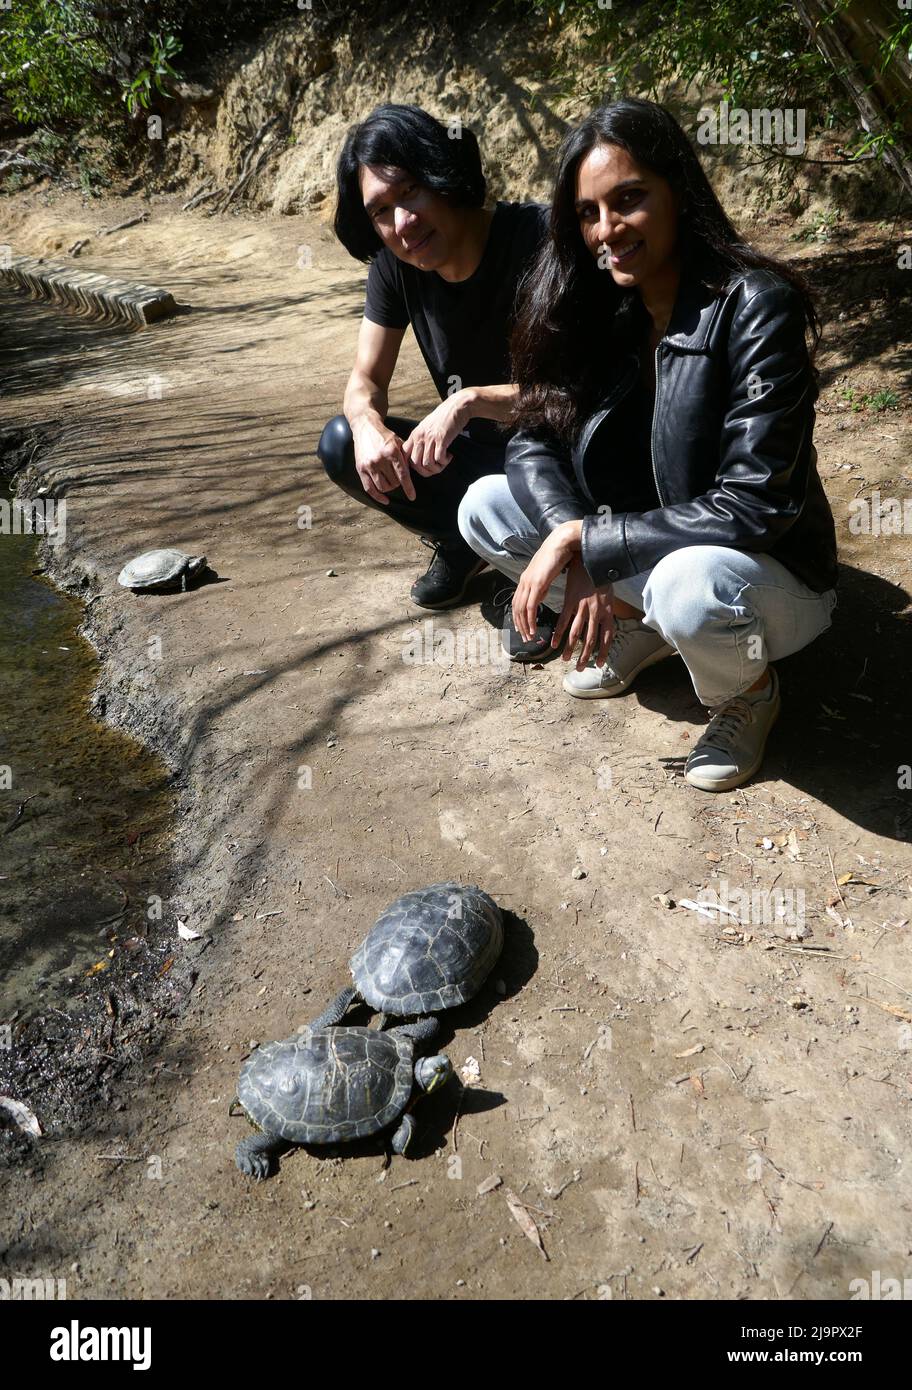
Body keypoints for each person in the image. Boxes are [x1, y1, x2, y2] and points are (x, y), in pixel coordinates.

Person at [458, 97, 838, 791]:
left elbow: (754, 504)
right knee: (484, 503)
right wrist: (572, 541)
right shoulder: (603, 311)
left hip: (769, 577)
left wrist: (593, 545)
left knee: (687, 586)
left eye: (628, 199)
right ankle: (646, 628)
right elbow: (534, 437)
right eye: (586, 212)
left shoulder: (753, 306)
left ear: (678, 193)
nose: (606, 229)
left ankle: (746, 691)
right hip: (650, 552)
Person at [318, 104, 549, 609]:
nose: (402, 222)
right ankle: (464, 541)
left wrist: (468, 401)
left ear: (444, 176)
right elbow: (365, 377)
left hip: (557, 457)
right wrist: (366, 426)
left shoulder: (539, 240)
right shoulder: (395, 267)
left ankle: (537, 568)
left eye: (410, 192)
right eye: (380, 210)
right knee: (340, 442)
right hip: (478, 458)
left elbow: (576, 394)